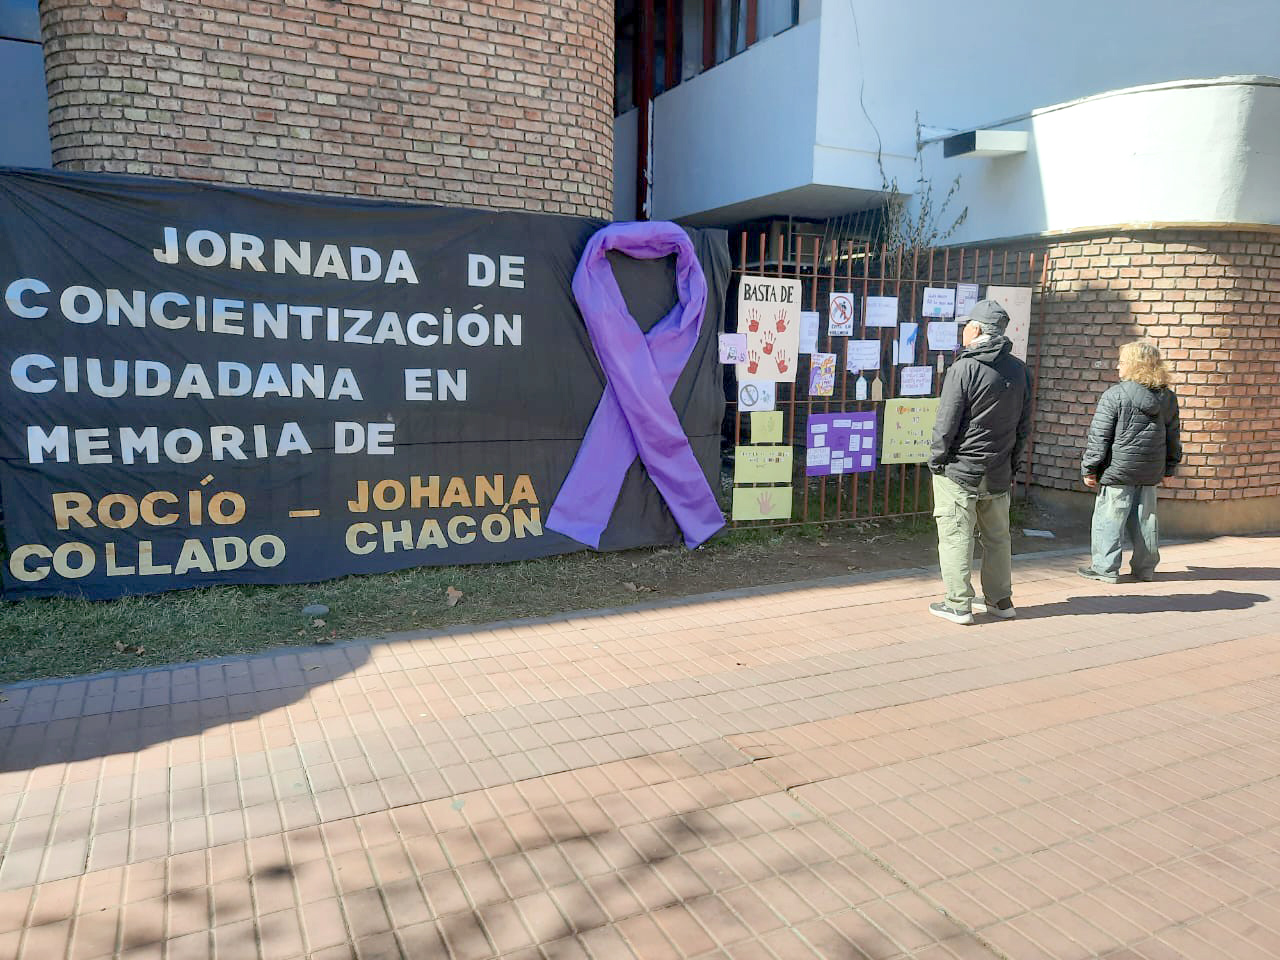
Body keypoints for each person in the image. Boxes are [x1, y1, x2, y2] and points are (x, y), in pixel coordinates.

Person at [928, 300, 1033, 624]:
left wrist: (936, 460)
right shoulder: (1020, 370)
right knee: (998, 539)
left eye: (966, 325)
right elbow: (1023, 426)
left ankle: (959, 603)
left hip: (960, 469)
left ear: (976, 330)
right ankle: (1000, 601)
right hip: (999, 469)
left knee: (957, 536)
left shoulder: (964, 368)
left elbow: (946, 423)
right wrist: (1012, 465)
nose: (963, 330)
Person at [1078, 339, 1181, 583]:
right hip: (1150, 469)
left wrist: (1090, 467)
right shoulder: (1167, 398)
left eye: (1122, 362)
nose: (1117, 366)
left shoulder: (1115, 395)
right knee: (1146, 519)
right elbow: (1173, 435)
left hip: (1119, 469)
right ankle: (1145, 569)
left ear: (1135, 366)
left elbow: (1099, 436)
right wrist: (1170, 466)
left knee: (1110, 518)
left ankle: (1105, 568)